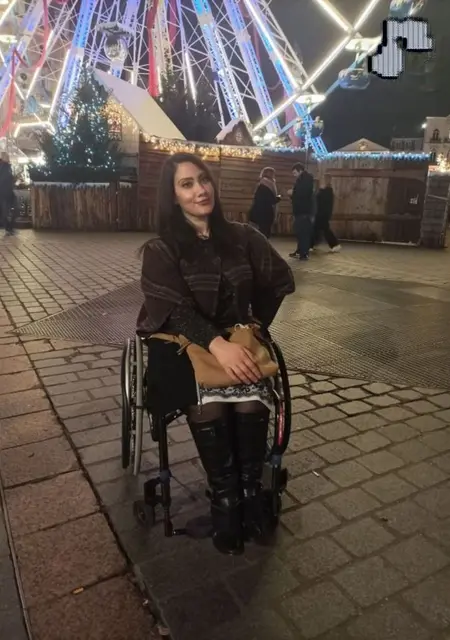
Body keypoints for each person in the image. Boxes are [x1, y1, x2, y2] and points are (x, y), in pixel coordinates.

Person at [137, 152, 295, 556]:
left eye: (203, 180)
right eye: (186, 184)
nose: (199, 190)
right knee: (207, 397)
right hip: (178, 339)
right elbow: (173, 310)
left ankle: (249, 494)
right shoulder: (161, 249)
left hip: (234, 334)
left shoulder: (244, 237)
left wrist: (255, 326)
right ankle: (226, 503)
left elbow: (280, 280)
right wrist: (217, 344)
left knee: (249, 392)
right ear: (173, 196)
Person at [288, 162, 314, 260]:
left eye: (295, 173)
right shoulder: (302, 179)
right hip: (300, 210)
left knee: (303, 232)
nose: (294, 175)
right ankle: (300, 250)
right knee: (299, 231)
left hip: (303, 210)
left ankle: (304, 253)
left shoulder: (306, 180)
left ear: (300, 171)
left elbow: (303, 194)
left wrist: (293, 193)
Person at [311, 174, 341, 253]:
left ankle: (335, 244)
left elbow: (325, 203)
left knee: (325, 229)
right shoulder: (324, 190)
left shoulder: (328, 190)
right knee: (315, 228)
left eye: (324, 179)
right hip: (320, 213)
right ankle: (311, 244)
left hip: (323, 214)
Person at [248, 166, 281, 238]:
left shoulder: (260, 184)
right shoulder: (268, 185)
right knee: (264, 234)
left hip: (257, 212)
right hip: (265, 213)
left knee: (258, 233)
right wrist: (279, 197)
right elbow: (272, 200)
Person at [0, 153, 15, 235]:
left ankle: (9, 228)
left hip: (7, 192)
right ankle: (8, 228)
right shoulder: (4, 167)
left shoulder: (7, 167)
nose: (8, 158)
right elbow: (4, 180)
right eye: (7, 157)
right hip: (4, 193)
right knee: (6, 211)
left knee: (8, 211)